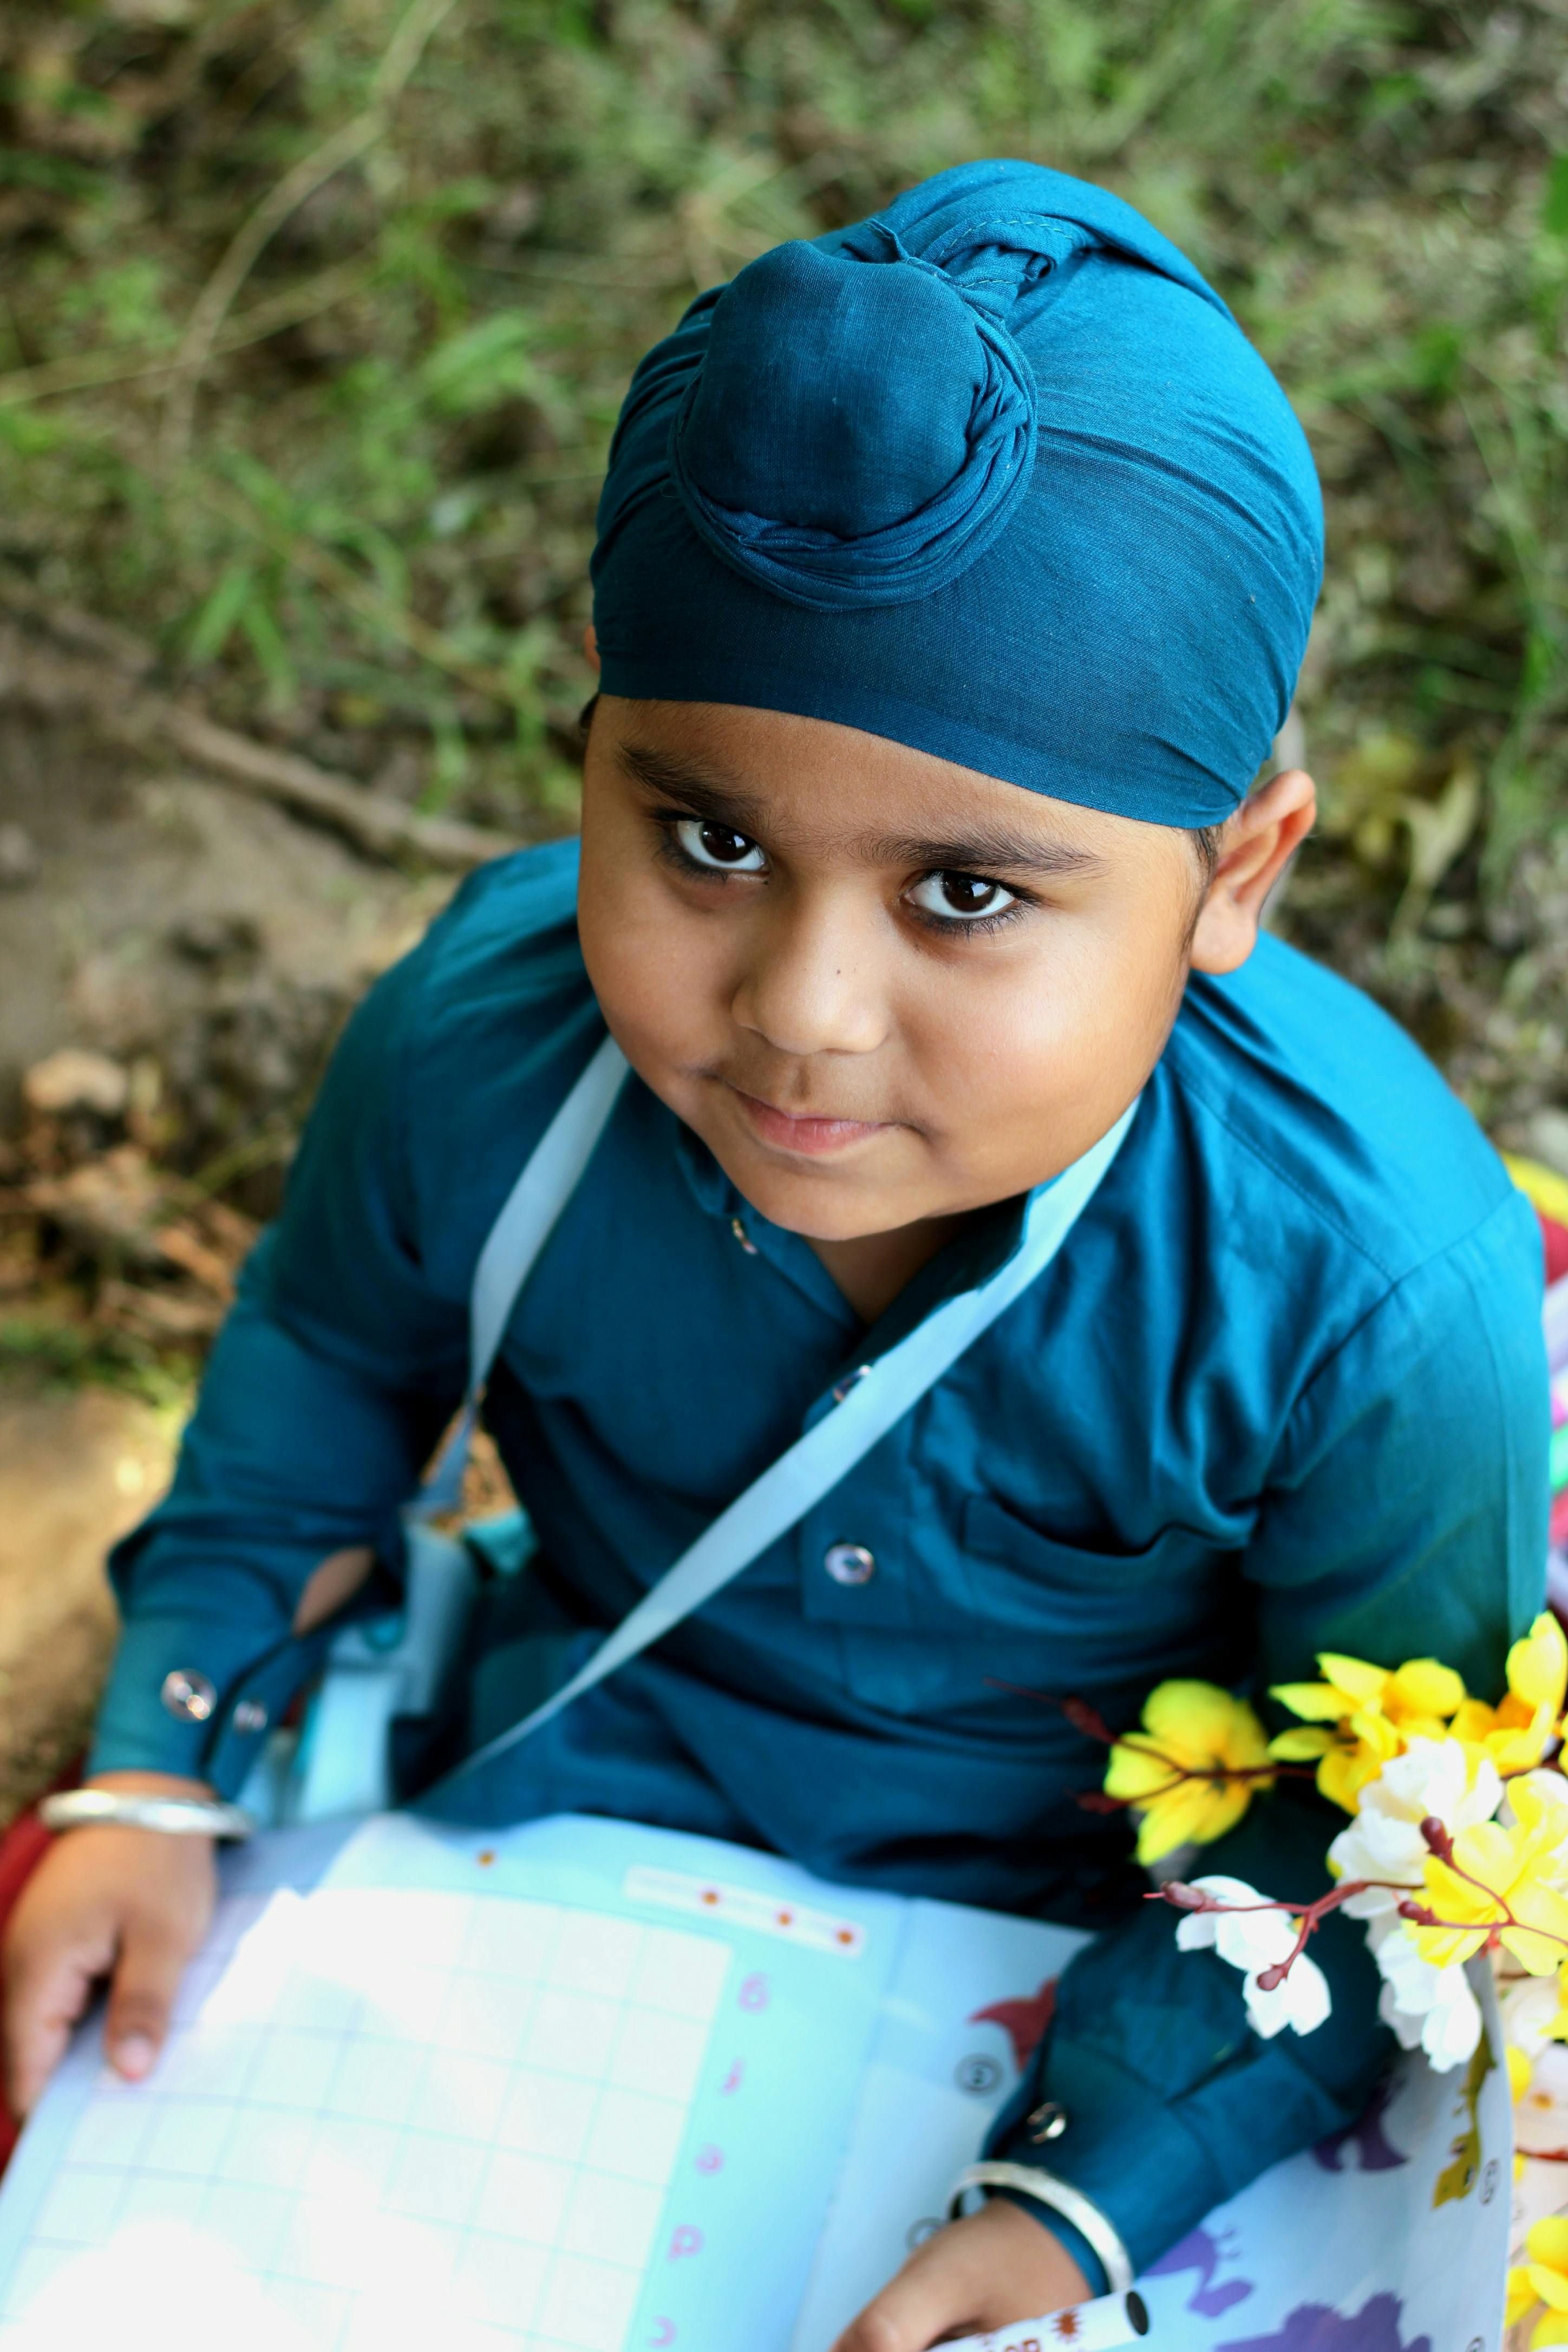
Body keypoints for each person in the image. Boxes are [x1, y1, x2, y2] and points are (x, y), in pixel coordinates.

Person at [0, 160, 1549, 2349]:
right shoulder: (478, 1052)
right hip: (575, 1794)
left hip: (1104, 1945)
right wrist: (156, 1767)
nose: (801, 1015)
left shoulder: (1383, 1299)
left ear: (1234, 882)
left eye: (967, 896)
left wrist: (1091, 2187)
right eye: (706, 839)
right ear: (589, 759)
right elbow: (324, 1374)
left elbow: (1378, 1814)